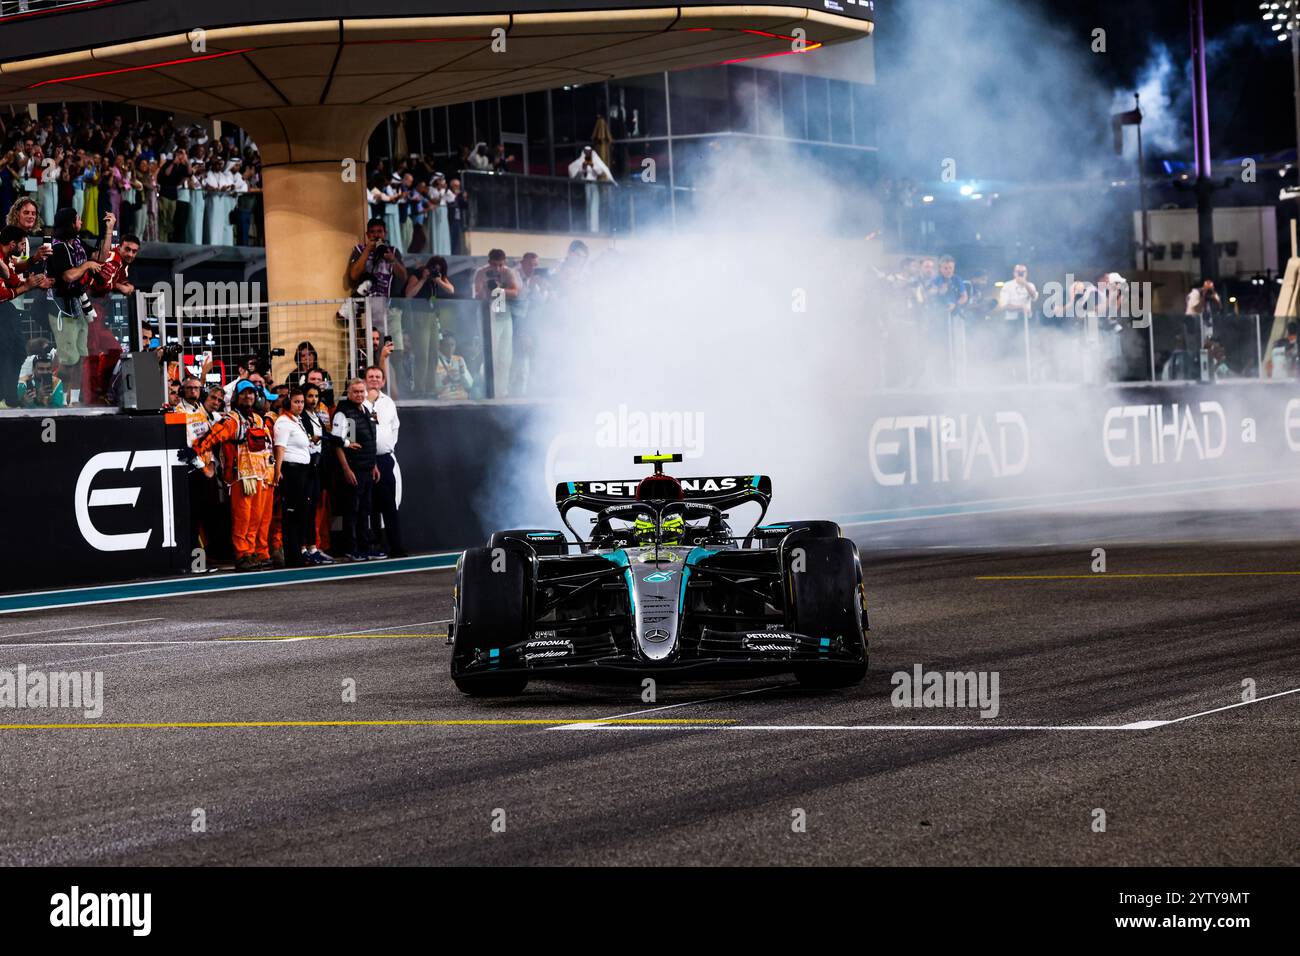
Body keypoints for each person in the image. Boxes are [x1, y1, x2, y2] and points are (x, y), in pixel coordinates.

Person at [188, 379, 277, 572]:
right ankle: (242, 554)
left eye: (251, 393)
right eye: (244, 393)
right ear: (237, 397)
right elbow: (212, 436)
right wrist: (196, 450)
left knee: (256, 518)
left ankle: (252, 552)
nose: (248, 397)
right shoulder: (232, 419)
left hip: (260, 477)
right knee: (242, 518)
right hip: (241, 477)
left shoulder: (259, 419)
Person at [46, 207, 105, 404]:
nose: (81, 222)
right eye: (78, 219)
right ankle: (60, 401)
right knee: (68, 359)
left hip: (78, 306)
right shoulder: (58, 247)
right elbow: (69, 275)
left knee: (80, 357)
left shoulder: (77, 244)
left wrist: (109, 227)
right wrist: (87, 265)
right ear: (71, 223)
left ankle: (74, 400)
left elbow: (100, 257)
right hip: (61, 308)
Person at [0, 224, 54, 408]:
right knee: (6, 350)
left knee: (19, 350)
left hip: (4, 309)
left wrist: (35, 282)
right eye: (22, 244)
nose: (24, 248)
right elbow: (3, 293)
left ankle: (8, 395)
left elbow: (13, 280)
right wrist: (27, 286)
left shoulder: (5, 258)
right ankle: (6, 396)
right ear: (13, 244)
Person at [331, 378, 381, 562]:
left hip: (367, 468)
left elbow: (358, 443)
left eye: (362, 391)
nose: (359, 395)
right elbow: (338, 444)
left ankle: (365, 546)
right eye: (356, 392)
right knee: (352, 510)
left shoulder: (364, 410)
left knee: (364, 510)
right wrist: (346, 469)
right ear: (349, 392)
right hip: (353, 470)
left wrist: (373, 464)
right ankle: (351, 548)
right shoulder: (344, 413)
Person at [273, 388, 318, 568]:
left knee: (301, 514)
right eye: (296, 402)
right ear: (288, 403)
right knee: (291, 515)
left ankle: (298, 553)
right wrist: (277, 471)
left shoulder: (297, 420)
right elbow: (280, 448)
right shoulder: (283, 422)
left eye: (301, 402)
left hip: (303, 471)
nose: (300, 405)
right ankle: (292, 556)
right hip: (292, 472)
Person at [365, 364, 405, 558]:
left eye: (377, 376)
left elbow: (394, 428)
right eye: (370, 376)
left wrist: (388, 447)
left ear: (382, 380)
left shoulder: (388, 402)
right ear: (365, 380)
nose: (374, 379)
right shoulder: (359, 401)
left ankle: (396, 546)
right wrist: (369, 403)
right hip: (365, 461)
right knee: (370, 507)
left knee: (390, 506)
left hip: (385, 459)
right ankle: (374, 546)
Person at [472, 248, 519, 397]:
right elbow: (477, 295)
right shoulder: (481, 272)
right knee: (491, 353)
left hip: (504, 315)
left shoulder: (508, 272)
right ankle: (486, 388)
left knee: (505, 356)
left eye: (500, 265)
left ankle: (501, 391)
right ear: (489, 262)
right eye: (494, 264)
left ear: (504, 263)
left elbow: (515, 292)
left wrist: (499, 290)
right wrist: (487, 289)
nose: (497, 268)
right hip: (488, 315)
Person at [403, 255, 453, 396]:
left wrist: (438, 279)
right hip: (420, 314)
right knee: (422, 354)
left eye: (439, 269)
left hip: (433, 316)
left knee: (433, 354)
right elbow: (409, 294)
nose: (436, 271)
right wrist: (423, 279)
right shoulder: (418, 274)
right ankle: (419, 388)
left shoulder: (438, 277)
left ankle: (430, 387)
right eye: (434, 268)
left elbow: (451, 290)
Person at [434, 332, 474, 399]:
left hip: (462, 398)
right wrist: (446, 380)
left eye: (452, 345)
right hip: (444, 400)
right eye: (446, 345)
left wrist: (463, 373)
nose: (450, 348)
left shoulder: (459, 360)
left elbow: (469, 386)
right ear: (440, 346)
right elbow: (433, 390)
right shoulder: (434, 362)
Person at [1185, 278, 1220, 343]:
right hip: (1195, 327)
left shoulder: (1211, 297)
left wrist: (1214, 295)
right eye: (1207, 289)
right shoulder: (1194, 294)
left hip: (1207, 328)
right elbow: (1197, 309)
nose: (1208, 293)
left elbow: (1219, 308)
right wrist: (1203, 296)